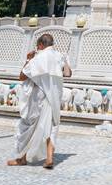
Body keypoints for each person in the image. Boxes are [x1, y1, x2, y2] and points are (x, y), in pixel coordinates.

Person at [7, 33, 71, 171]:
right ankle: (49, 159)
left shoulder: (39, 58)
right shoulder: (59, 56)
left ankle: (21, 158)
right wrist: (65, 60)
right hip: (54, 97)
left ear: (41, 45)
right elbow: (68, 74)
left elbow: (22, 77)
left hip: (39, 98)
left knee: (28, 126)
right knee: (52, 125)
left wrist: (28, 59)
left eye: (38, 46)